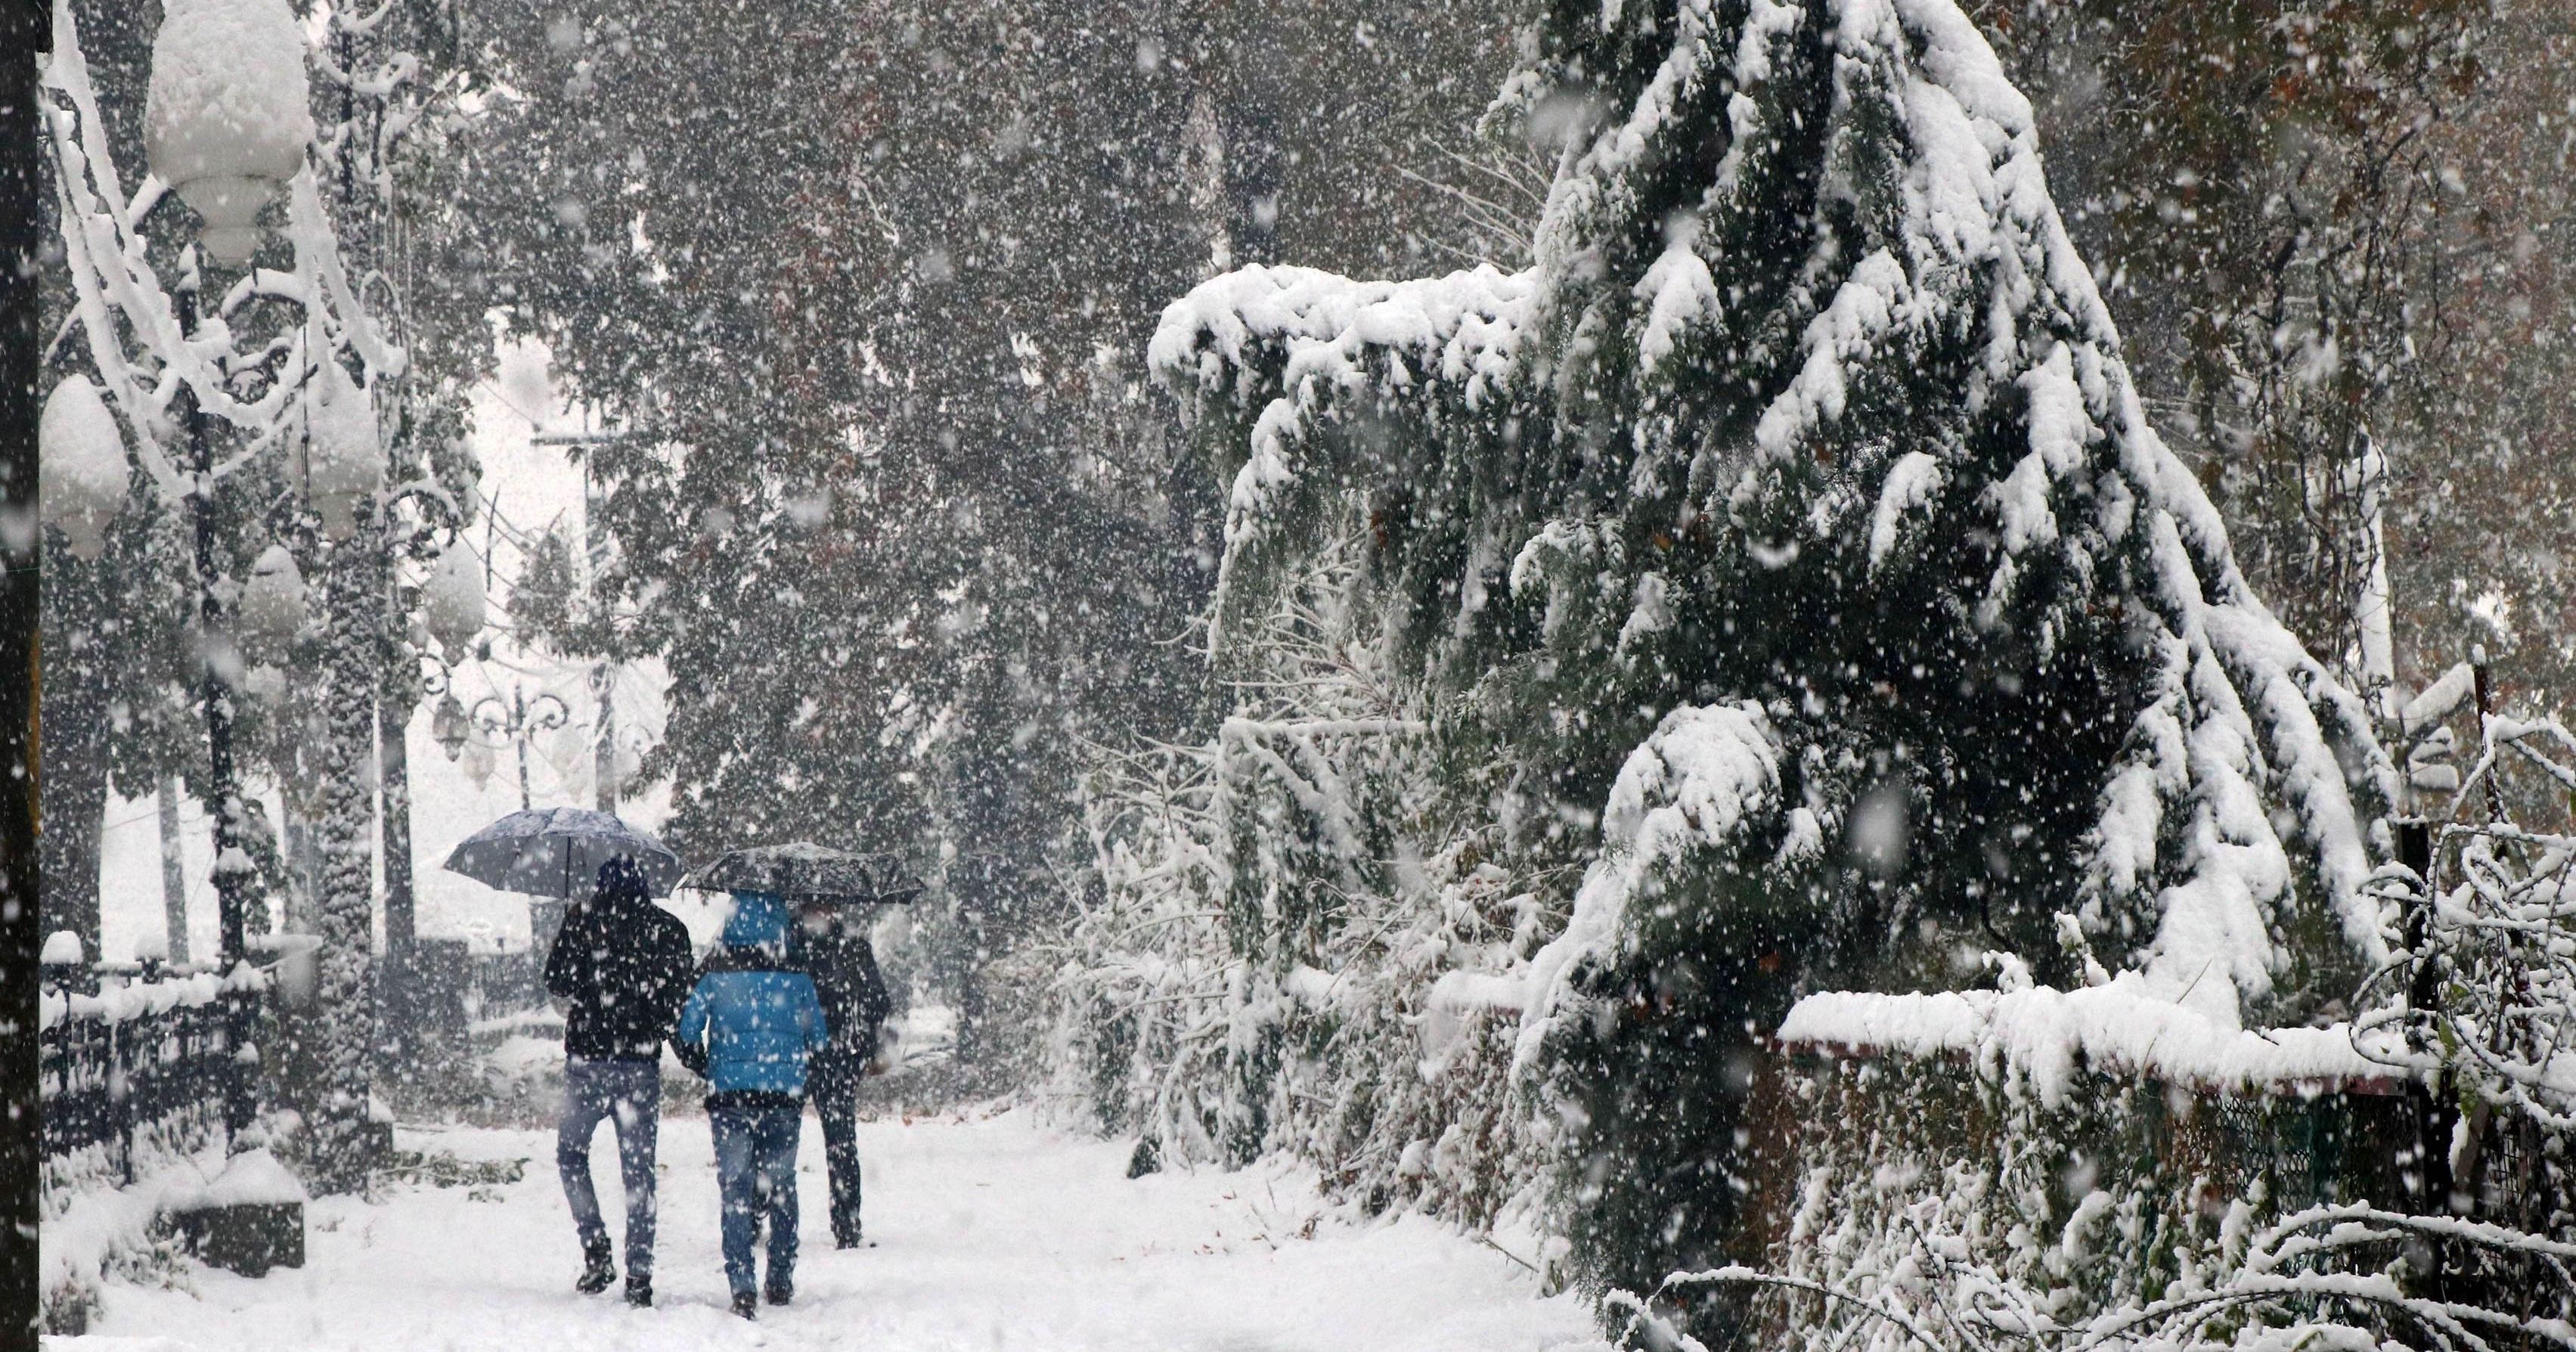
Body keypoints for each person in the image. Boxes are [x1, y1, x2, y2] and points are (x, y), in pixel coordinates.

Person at [542, 854, 694, 1307]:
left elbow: (556, 979)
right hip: (639, 1065)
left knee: (571, 1155)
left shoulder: (584, 921)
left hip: (586, 1062)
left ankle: (596, 1248)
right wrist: (683, 1047)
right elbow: (676, 1001)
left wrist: (576, 932)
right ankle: (640, 1276)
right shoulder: (667, 930)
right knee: (639, 1173)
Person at [674, 890, 830, 1319]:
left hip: (730, 1098)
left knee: (736, 1189)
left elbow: (687, 1032)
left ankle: (741, 1283)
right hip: (783, 1096)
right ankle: (779, 1278)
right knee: (781, 1185)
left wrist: (707, 1062)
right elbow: (819, 1038)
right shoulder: (797, 976)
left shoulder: (716, 975)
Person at [788, 898, 894, 1248]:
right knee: (841, 1141)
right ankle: (847, 1223)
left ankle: (761, 1211)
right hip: (838, 1053)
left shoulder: (784, 939)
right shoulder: (852, 943)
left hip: (793, 1050)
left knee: (778, 1137)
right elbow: (878, 1000)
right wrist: (864, 1043)